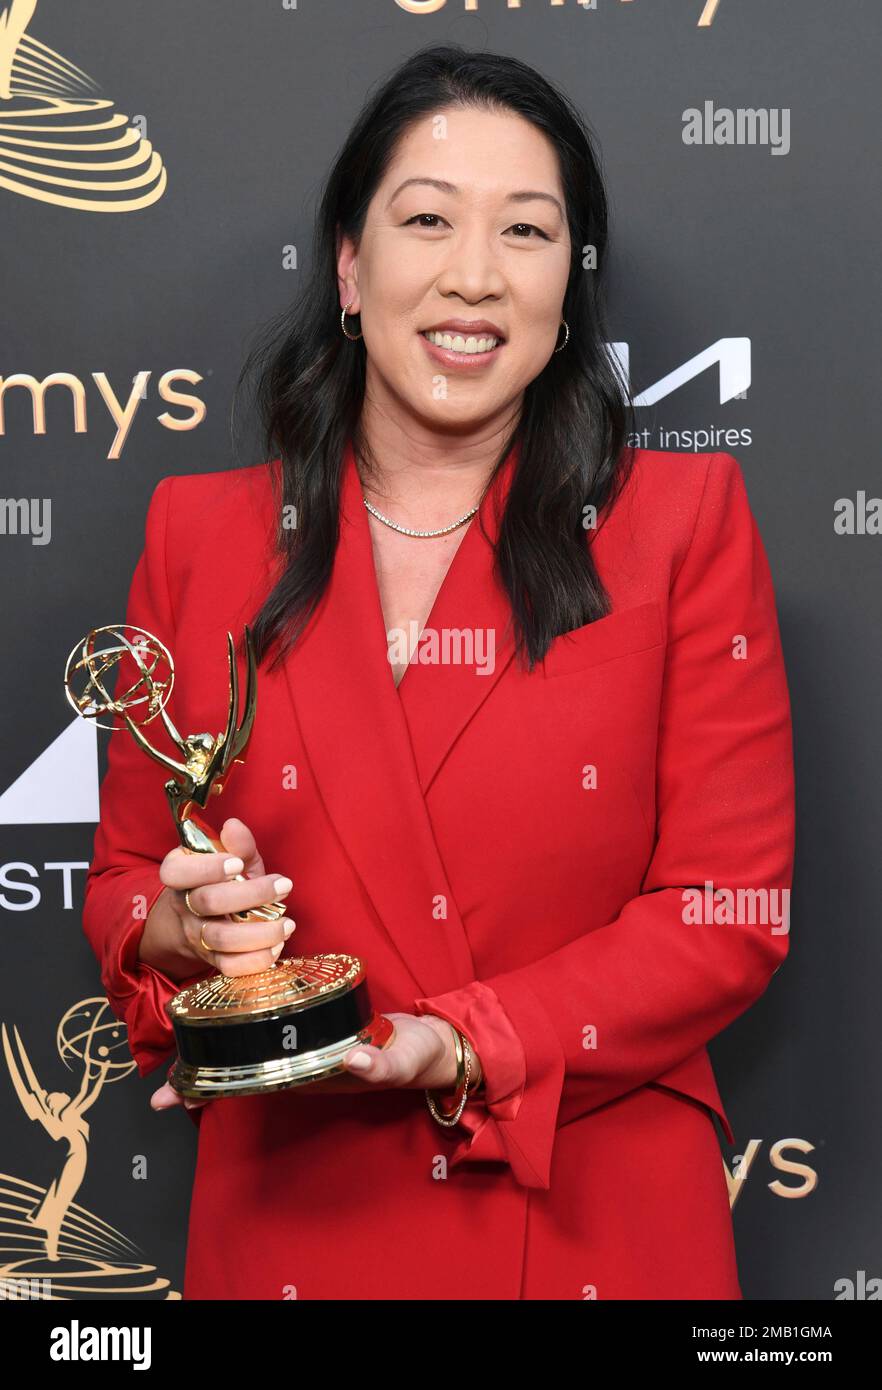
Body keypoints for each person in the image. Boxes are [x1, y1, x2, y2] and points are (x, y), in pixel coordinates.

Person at [81, 44, 795, 1300]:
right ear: (350, 269)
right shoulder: (198, 536)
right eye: (426, 220)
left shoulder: (681, 522)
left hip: (587, 1212)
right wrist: (186, 928)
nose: (473, 276)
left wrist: (464, 1038)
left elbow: (724, 909)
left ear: (566, 288)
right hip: (292, 1215)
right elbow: (129, 881)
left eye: (526, 231)